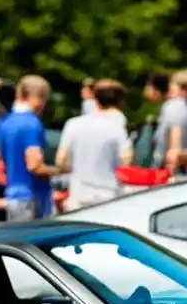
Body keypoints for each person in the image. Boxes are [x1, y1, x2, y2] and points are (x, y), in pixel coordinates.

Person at [56, 79, 131, 210]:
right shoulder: (118, 127)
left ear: (95, 99)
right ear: (121, 101)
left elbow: (61, 161)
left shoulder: (73, 124)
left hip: (79, 194)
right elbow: (126, 161)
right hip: (108, 196)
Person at [0, 75, 57, 221]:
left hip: (13, 195)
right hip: (32, 196)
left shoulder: (5, 123)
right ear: (39, 97)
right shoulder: (31, 123)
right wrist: (60, 170)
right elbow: (34, 165)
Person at [153, 69, 187, 174]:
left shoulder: (175, 106)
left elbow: (176, 133)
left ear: (183, 89)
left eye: (172, 85)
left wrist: (173, 162)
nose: (170, 89)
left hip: (173, 170)